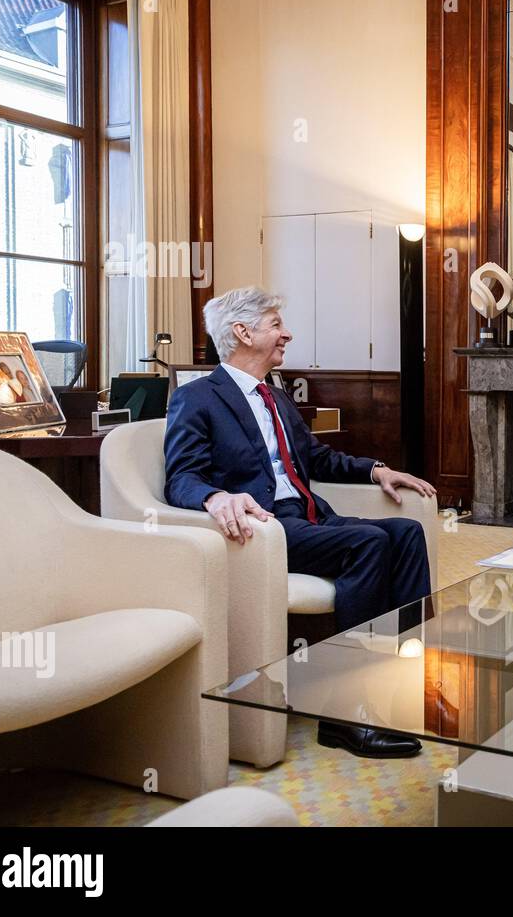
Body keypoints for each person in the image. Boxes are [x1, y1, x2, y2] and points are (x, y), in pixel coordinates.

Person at [164, 286, 435, 759]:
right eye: (275, 324)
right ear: (242, 332)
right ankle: (346, 714)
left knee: (406, 533)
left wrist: (376, 469)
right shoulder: (197, 398)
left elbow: (318, 458)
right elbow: (181, 476)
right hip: (265, 527)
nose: (286, 333)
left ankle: (407, 682)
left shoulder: (276, 397)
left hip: (310, 517)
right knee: (368, 542)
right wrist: (215, 496)